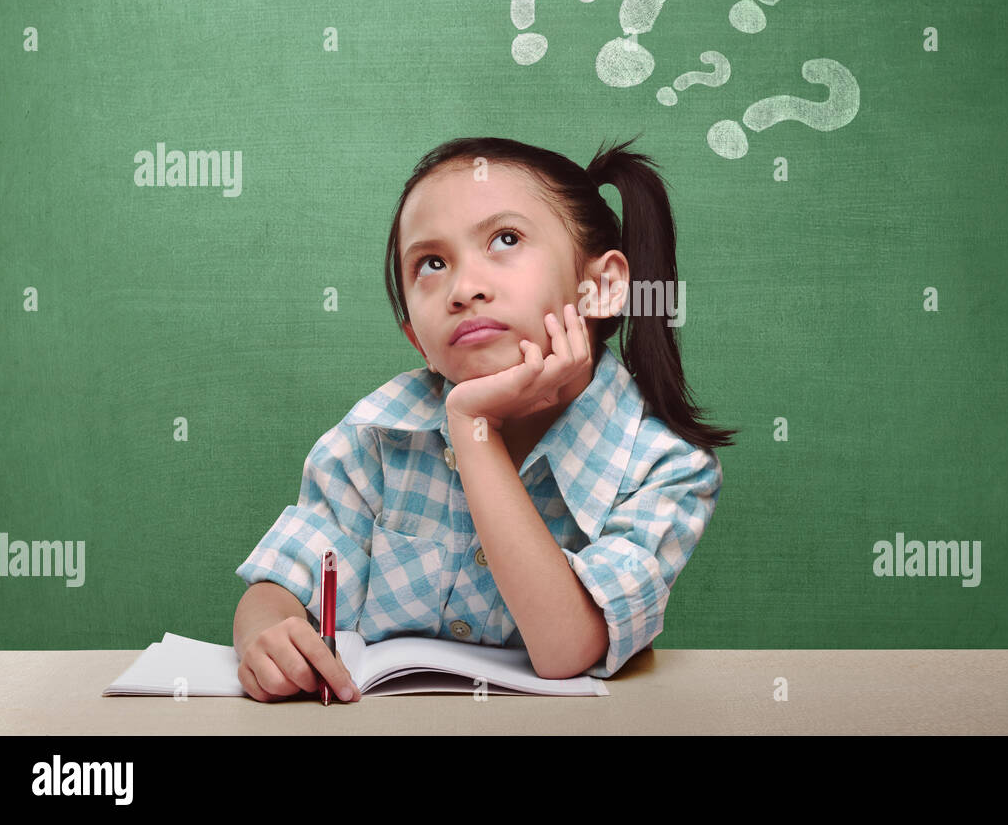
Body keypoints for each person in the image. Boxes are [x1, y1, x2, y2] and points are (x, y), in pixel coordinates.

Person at [231, 134, 735, 702]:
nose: (464, 288)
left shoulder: (666, 467)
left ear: (600, 286)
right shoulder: (374, 437)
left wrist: (475, 430)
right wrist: (265, 631)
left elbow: (568, 648)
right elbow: (281, 583)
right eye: (432, 263)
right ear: (415, 338)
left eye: (505, 238)